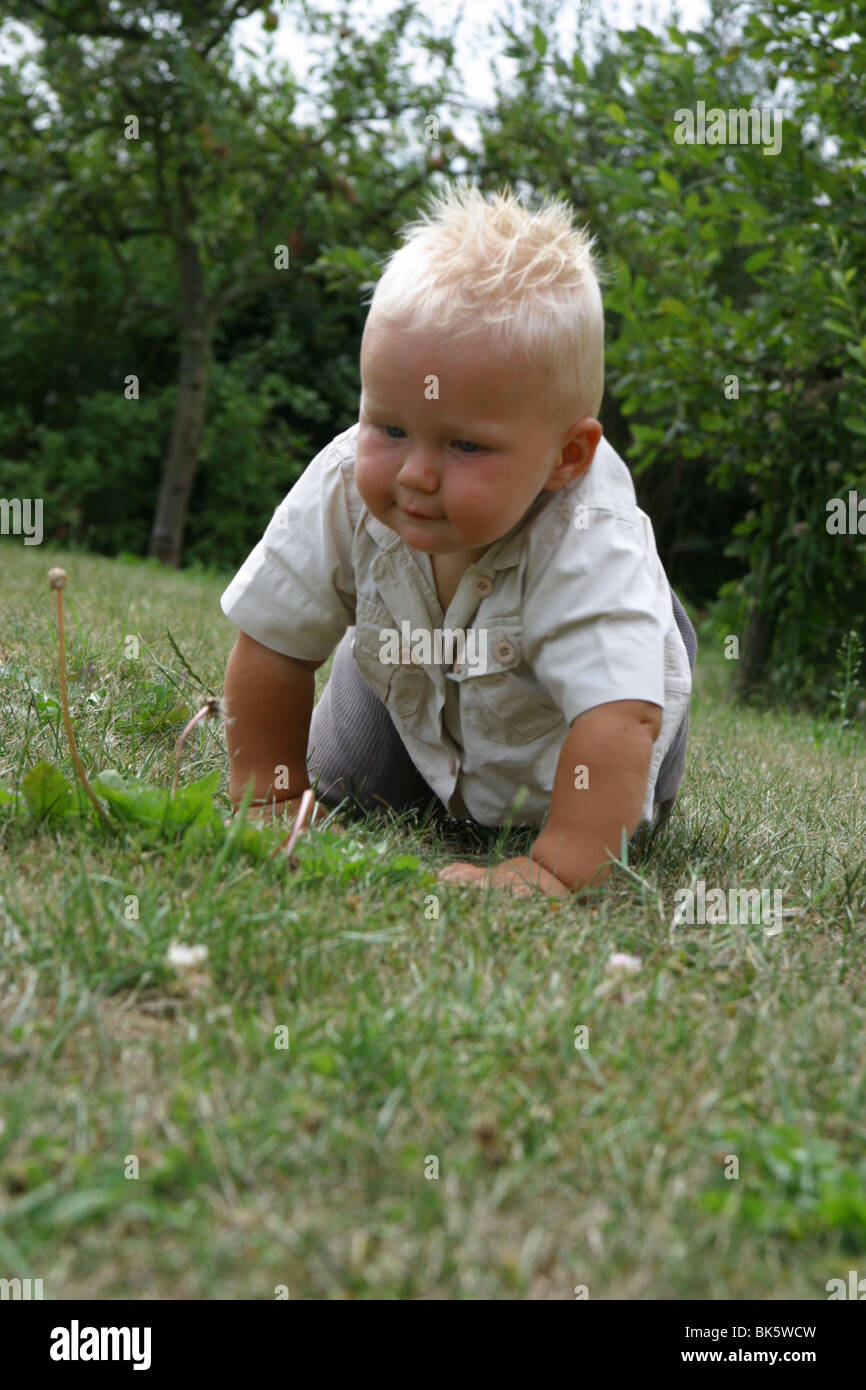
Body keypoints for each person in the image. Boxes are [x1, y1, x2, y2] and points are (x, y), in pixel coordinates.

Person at [220, 181, 696, 898]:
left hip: (580, 734)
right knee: (346, 781)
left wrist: (556, 869)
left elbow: (618, 719)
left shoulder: (590, 538)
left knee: (618, 756)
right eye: (391, 427)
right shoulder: (346, 481)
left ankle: (575, 819)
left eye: (466, 446)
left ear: (566, 457)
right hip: (412, 674)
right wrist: (269, 800)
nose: (415, 474)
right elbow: (272, 640)